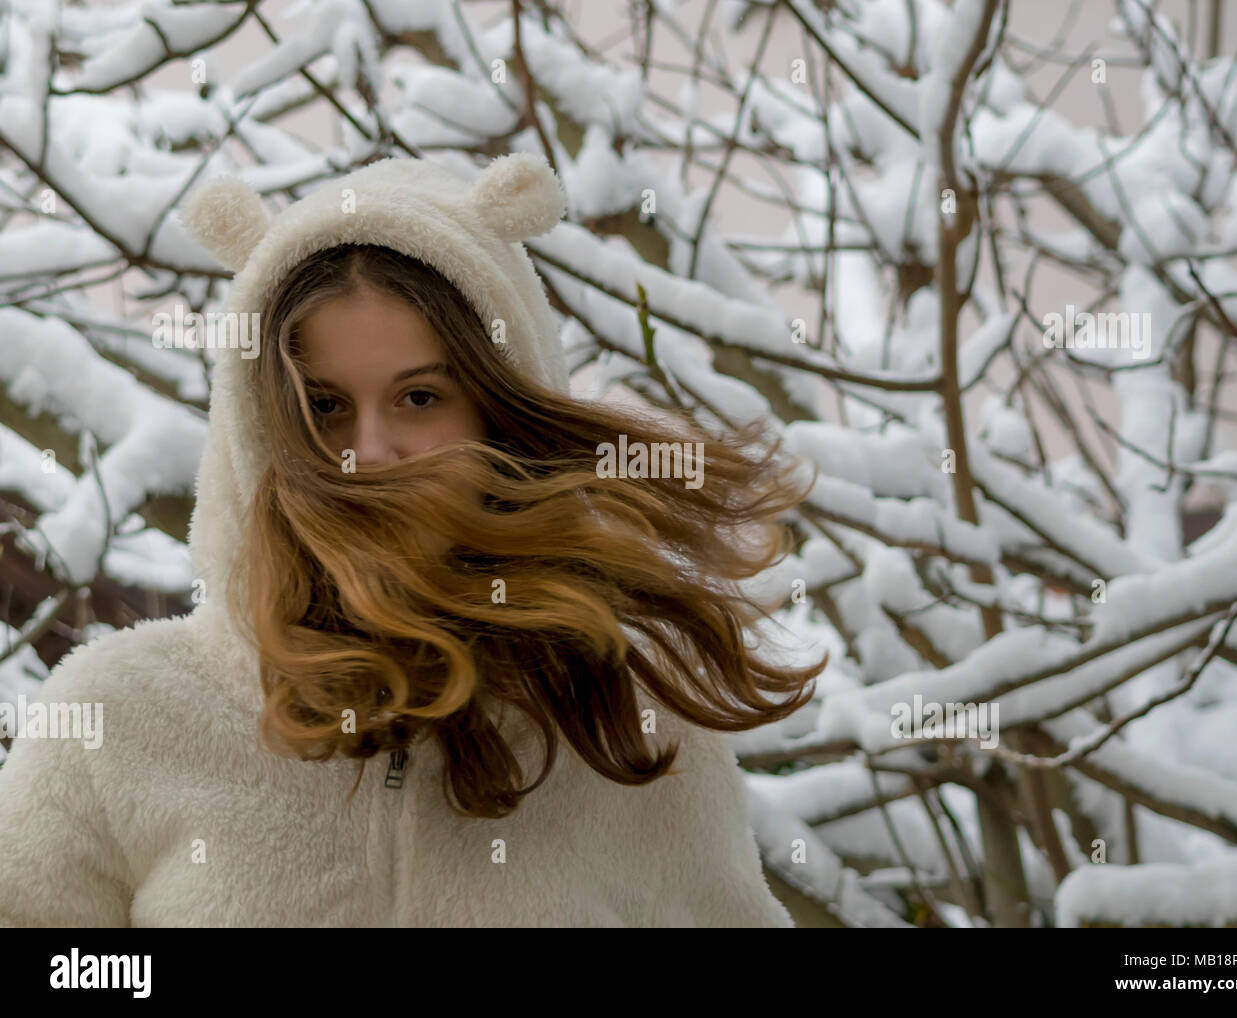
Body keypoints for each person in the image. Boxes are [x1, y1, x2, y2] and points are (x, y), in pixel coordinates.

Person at [0, 152, 825, 927]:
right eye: (324, 407)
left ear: (502, 413)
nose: (368, 453)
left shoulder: (628, 726)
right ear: (260, 427)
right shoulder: (119, 714)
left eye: (420, 399)